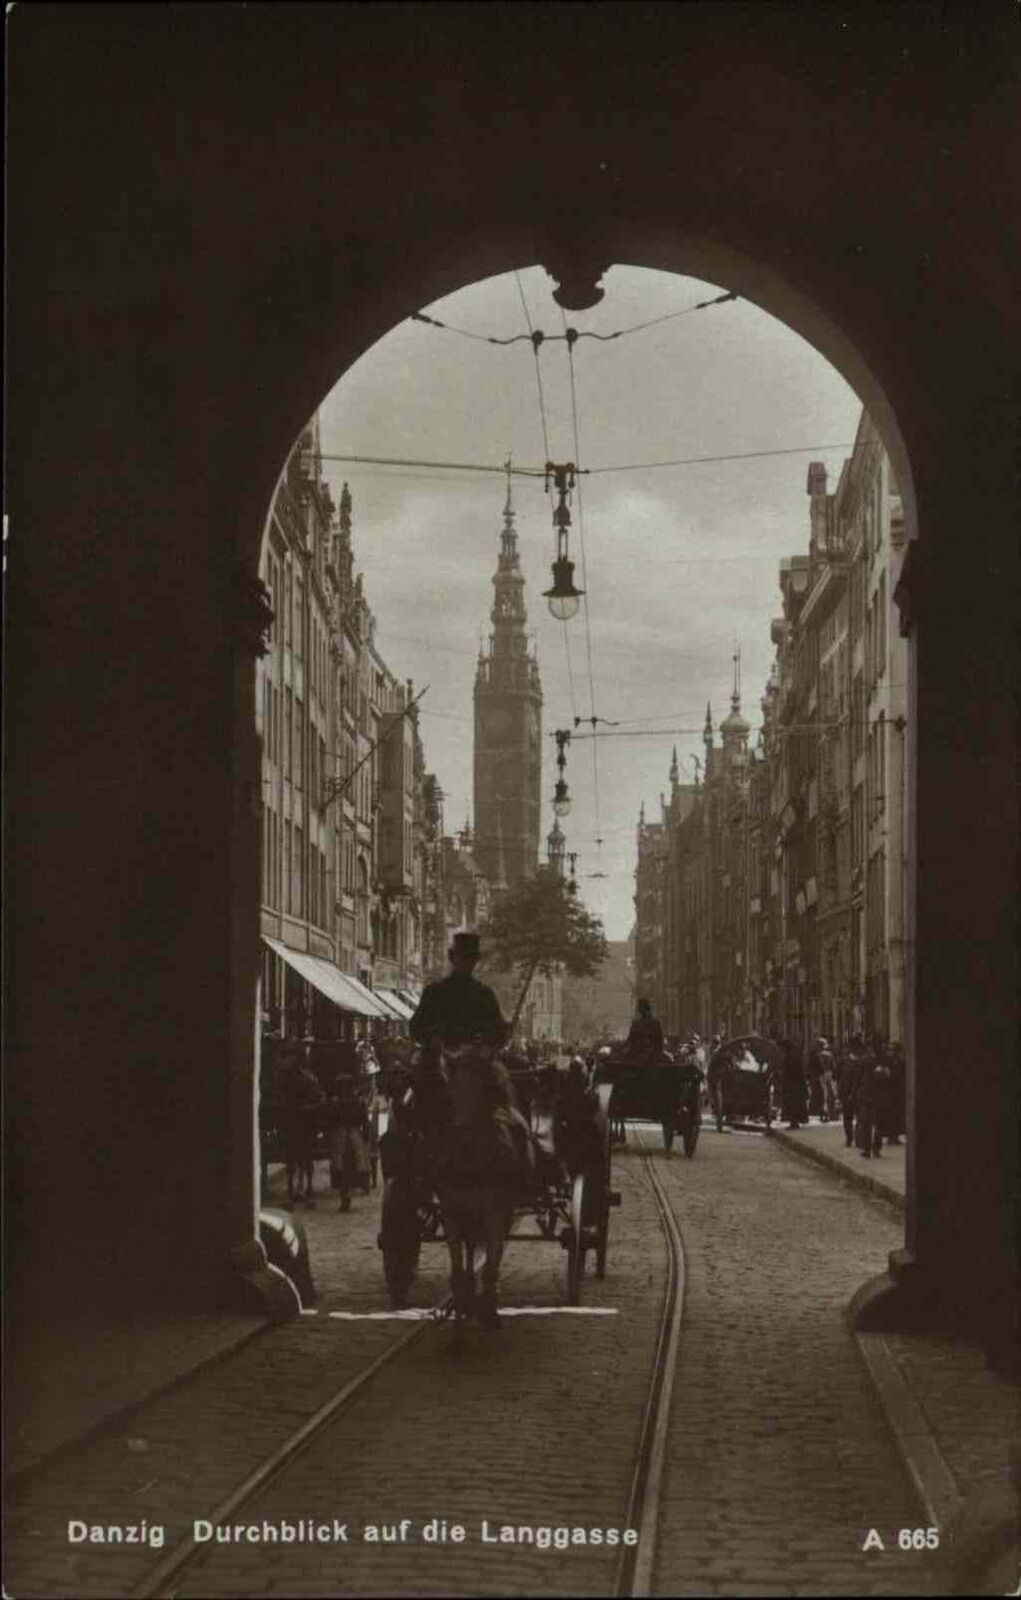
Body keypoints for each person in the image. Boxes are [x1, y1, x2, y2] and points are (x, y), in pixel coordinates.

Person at [838, 1037, 864, 1148]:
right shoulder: (859, 1061)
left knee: (851, 1117)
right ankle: (854, 1139)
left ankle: (852, 1139)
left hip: (851, 1092)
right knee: (856, 1117)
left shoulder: (846, 1061)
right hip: (853, 1092)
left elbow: (839, 1078)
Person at [779, 1037, 808, 1130]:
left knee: (792, 1104)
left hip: (793, 1084)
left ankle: (794, 1122)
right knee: (796, 1104)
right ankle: (795, 1122)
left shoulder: (791, 1056)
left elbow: (790, 1069)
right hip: (797, 1084)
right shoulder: (794, 1053)